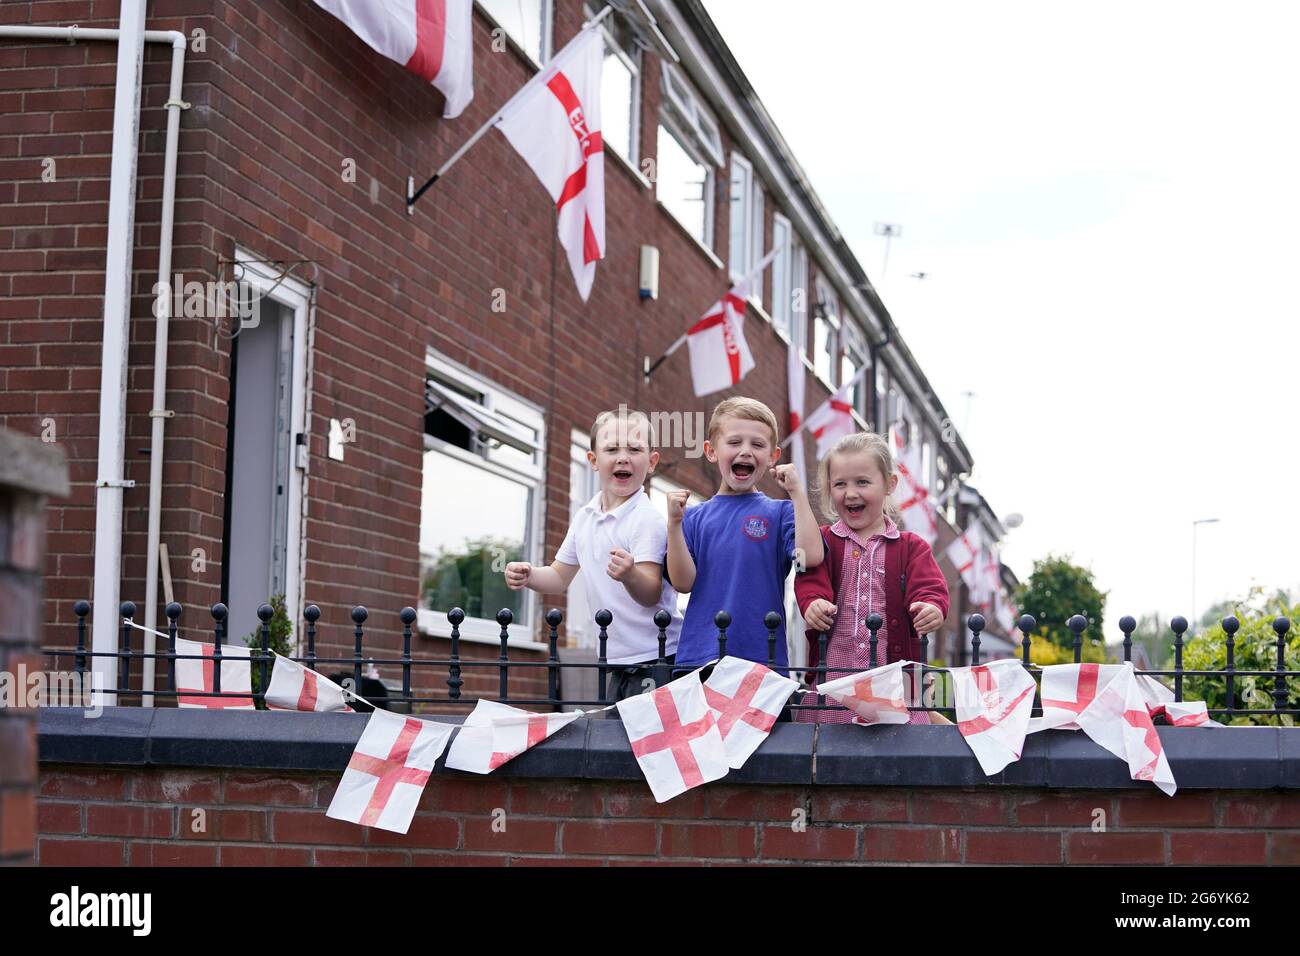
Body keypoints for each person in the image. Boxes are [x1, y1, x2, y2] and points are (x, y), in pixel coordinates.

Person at [504, 409, 680, 700]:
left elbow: (650, 592)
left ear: (651, 462)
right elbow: (560, 576)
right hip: (617, 659)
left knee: (647, 743)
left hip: (657, 656)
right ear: (594, 461)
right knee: (615, 741)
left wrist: (630, 575)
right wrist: (531, 575)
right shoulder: (585, 517)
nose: (623, 457)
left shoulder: (646, 519)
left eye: (634, 449)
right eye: (612, 449)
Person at [793, 431, 950, 723]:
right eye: (840, 484)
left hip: (895, 690)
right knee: (826, 762)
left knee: (895, 766)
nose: (850, 493)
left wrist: (931, 606)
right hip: (833, 687)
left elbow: (930, 587)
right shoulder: (823, 540)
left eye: (862, 482)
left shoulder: (911, 546)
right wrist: (812, 601)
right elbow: (806, 572)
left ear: (890, 484)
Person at [666, 397, 824, 675]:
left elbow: (809, 558)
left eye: (758, 444)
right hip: (699, 656)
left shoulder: (781, 512)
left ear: (773, 456)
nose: (746, 451)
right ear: (711, 451)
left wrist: (798, 493)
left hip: (763, 658)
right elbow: (682, 583)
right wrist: (674, 525)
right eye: (735, 442)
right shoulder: (691, 518)